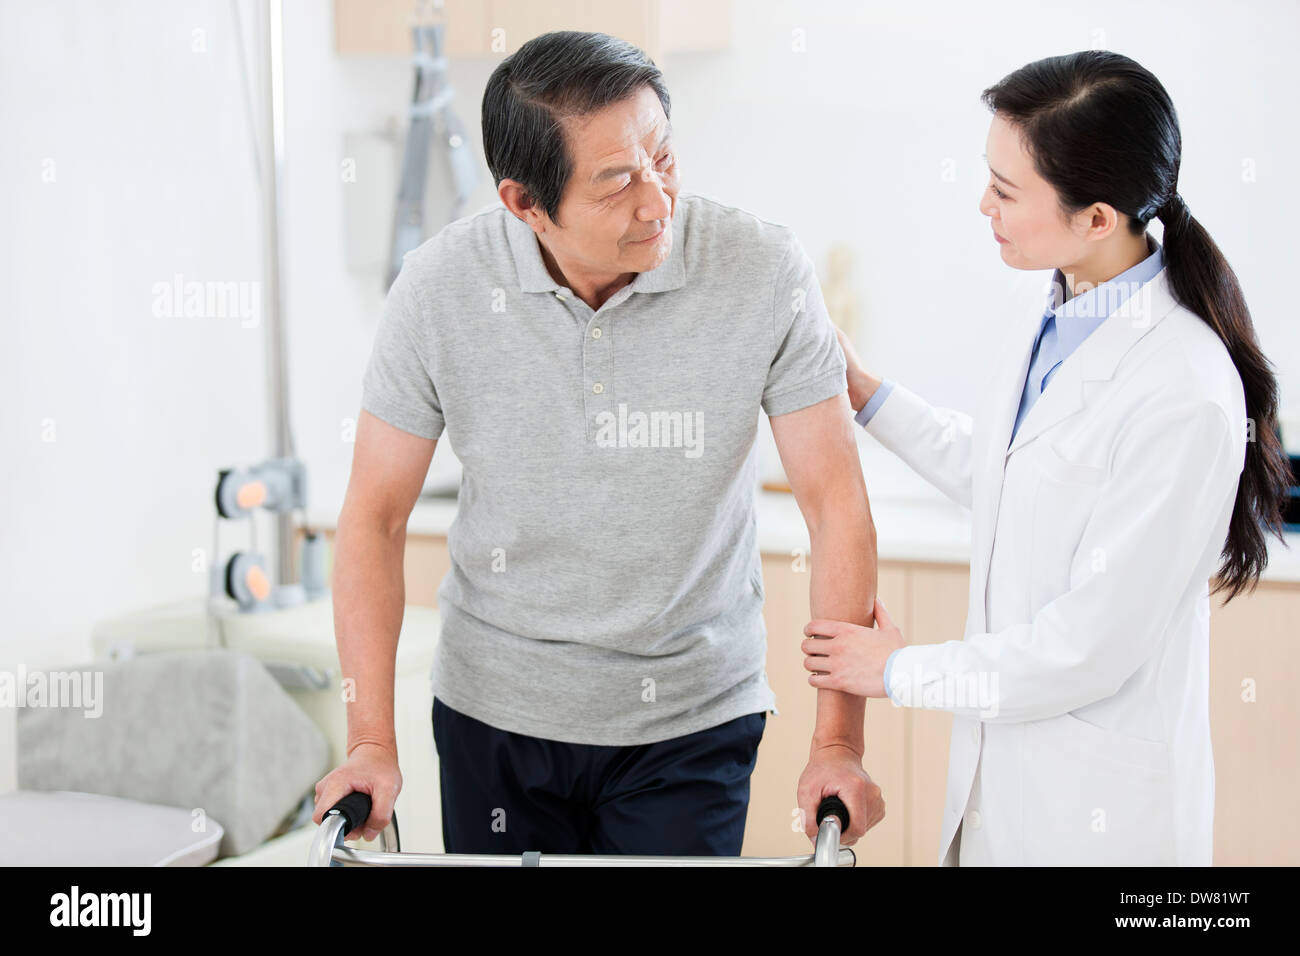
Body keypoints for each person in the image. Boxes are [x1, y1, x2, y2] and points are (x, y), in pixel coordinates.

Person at [313, 30, 886, 856]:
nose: (657, 201)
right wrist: (371, 738)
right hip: (495, 720)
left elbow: (837, 508)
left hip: (691, 719)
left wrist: (839, 740)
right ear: (524, 203)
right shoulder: (440, 289)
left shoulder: (762, 271)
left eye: (665, 158)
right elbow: (373, 517)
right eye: (617, 182)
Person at [802, 50, 1290, 866]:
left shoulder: (1185, 392)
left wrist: (900, 671)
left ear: (1098, 217)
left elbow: (1088, 645)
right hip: (1007, 784)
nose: (982, 203)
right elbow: (1013, 476)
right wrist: (870, 395)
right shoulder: (1064, 308)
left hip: (1097, 818)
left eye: (1005, 190)